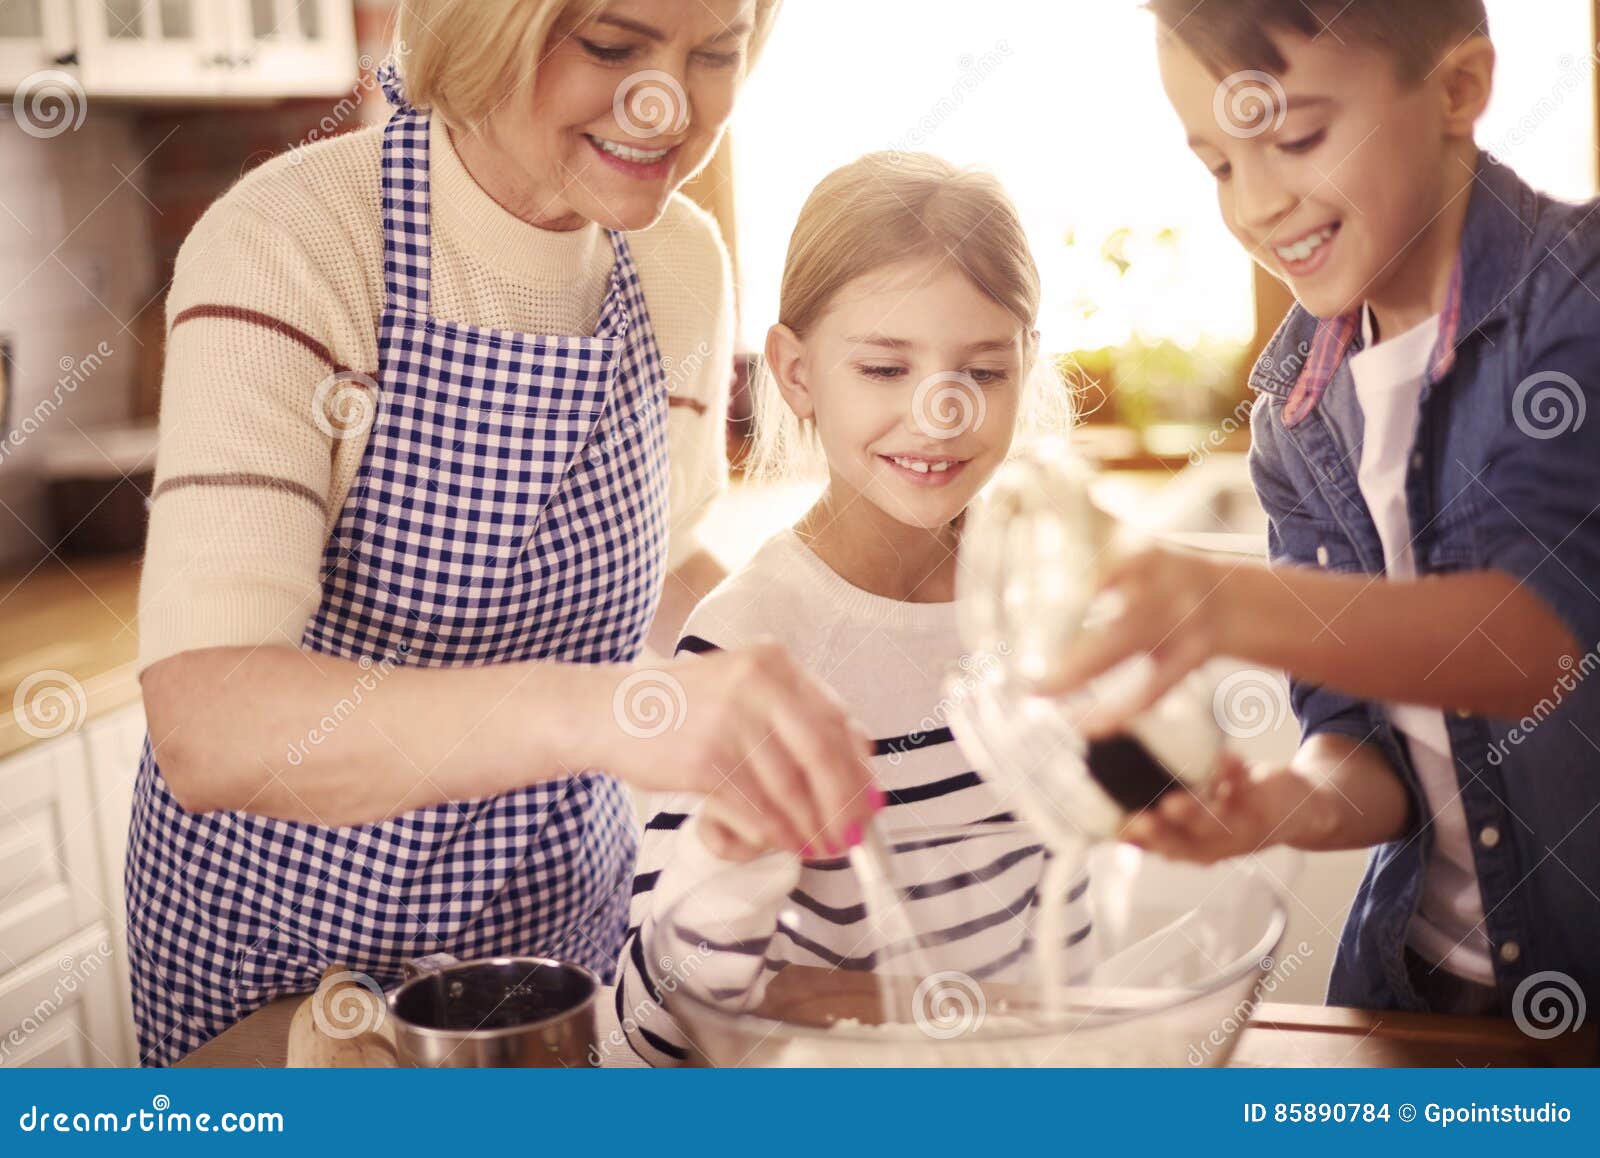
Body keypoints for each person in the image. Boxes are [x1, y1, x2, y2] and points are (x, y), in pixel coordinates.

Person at [127, 0, 879, 1066]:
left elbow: (654, 569)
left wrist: (803, 675)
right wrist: (611, 711)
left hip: (561, 954)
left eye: (716, 53)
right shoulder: (292, 240)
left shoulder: (679, 267)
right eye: (611, 47)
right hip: (290, 988)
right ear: (483, 27)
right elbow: (206, 724)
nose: (669, 103)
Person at [1048, 0, 1600, 1017]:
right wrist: (1280, 805)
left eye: (1295, 137)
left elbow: (1539, 643)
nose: (1254, 202)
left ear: (1456, 90)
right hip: (1415, 990)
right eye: (1217, 163)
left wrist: (1218, 602)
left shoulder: (1576, 300)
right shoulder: (1298, 410)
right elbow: (1362, 741)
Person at [614, 152, 1093, 1065]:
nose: (941, 414)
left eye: (983, 374)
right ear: (796, 372)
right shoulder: (749, 645)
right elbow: (656, 1027)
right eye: (883, 368)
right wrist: (732, 847)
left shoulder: (1042, 596)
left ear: (1027, 367)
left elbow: (1061, 922)